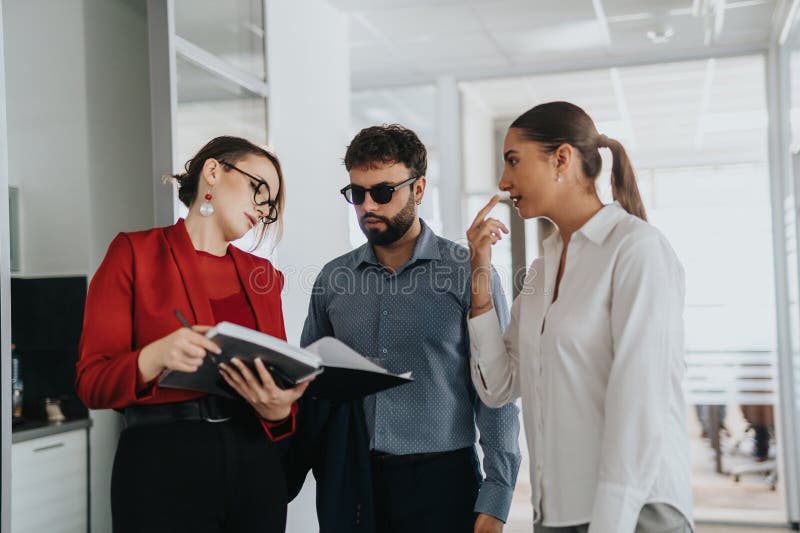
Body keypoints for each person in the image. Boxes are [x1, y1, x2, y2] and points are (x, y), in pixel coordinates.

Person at [466, 102, 694, 533]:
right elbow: (498, 388)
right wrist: (480, 274)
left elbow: (640, 404)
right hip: (557, 514)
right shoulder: (540, 271)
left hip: (636, 512)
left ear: (562, 159)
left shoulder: (637, 250)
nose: (503, 181)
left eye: (513, 161)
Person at [76, 136, 309, 533]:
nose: (262, 208)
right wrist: (155, 356)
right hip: (161, 464)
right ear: (213, 172)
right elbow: (91, 383)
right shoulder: (133, 252)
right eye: (260, 189)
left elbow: (280, 378)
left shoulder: (265, 278)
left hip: (254, 462)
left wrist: (280, 410)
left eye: (269, 206)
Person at [298, 124, 521, 533]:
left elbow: (496, 393)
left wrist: (499, 493)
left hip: (444, 483)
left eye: (383, 192)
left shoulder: (467, 272)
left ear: (418, 190)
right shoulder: (333, 279)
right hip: (353, 483)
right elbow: (312, 386)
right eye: (357, 193)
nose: (368, 205)